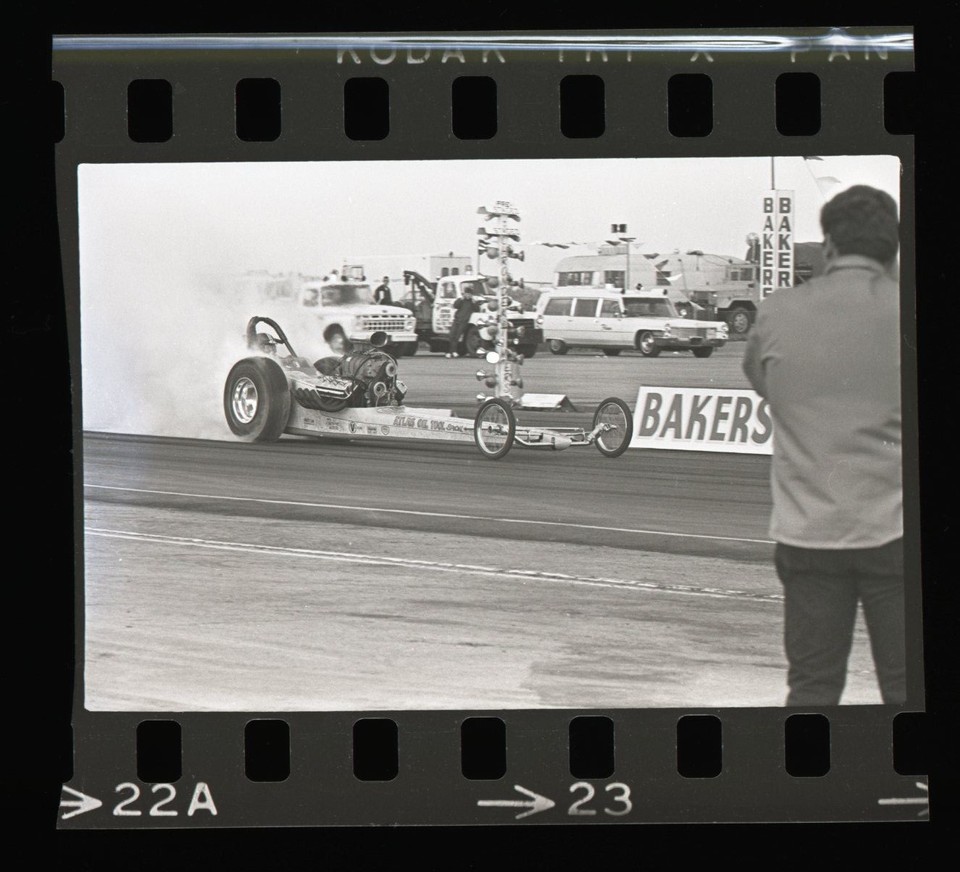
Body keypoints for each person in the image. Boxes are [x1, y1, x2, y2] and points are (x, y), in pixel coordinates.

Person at [742, 185, 905, 706]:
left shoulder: (777, 312)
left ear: (829, 243)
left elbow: (765, 383)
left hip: (808, 535)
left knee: (812, 688)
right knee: (910, 689)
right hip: (898, 533)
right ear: (893, 247)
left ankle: (808, 784)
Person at [446, 291, 477, 358]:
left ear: (471, 295)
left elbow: (477, 309)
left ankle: (453, 351)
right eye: (467, 294)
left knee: (457, 336)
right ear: (464, 294)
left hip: (464, 321)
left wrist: (474, 303)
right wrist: (460, 299)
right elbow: (455, 305)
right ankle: (450, 351)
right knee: (451, 335)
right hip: (456, 320)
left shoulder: (472, 302)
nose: (468, 295)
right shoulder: (461, 300)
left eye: (469, 294)